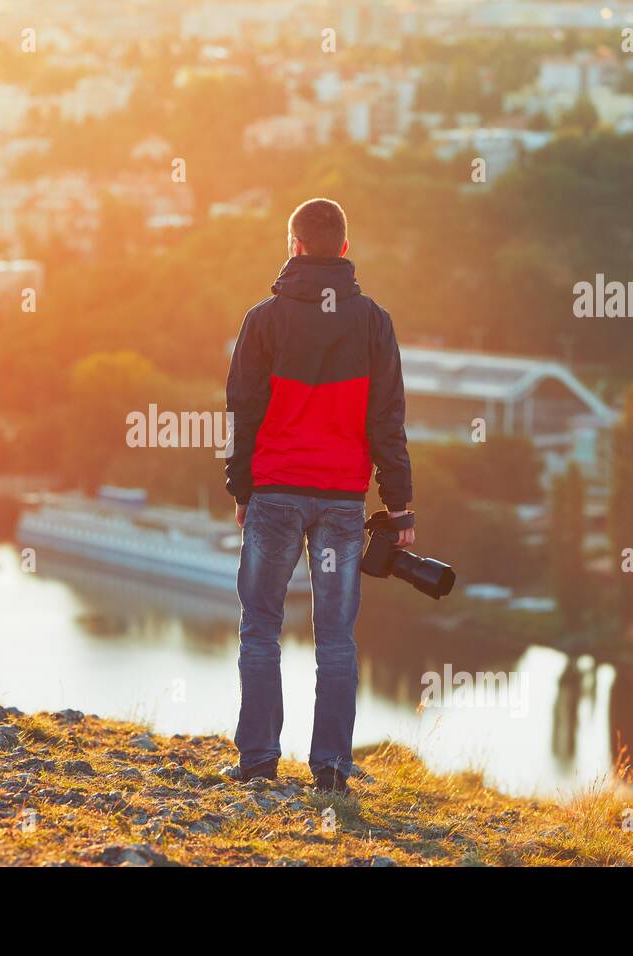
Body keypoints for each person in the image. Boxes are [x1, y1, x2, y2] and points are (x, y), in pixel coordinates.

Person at [222, 197, 415, 794]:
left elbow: (242, 409)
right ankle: (330, 767)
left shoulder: (265, 319)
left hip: (275, 493)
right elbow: (387, 418)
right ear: (345, 249)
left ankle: (258, 761)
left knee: (261, 629)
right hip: (340, 500)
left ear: (295, 246)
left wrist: (242, 486)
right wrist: (400, 504)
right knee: (335, 638)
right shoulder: (372, 322)